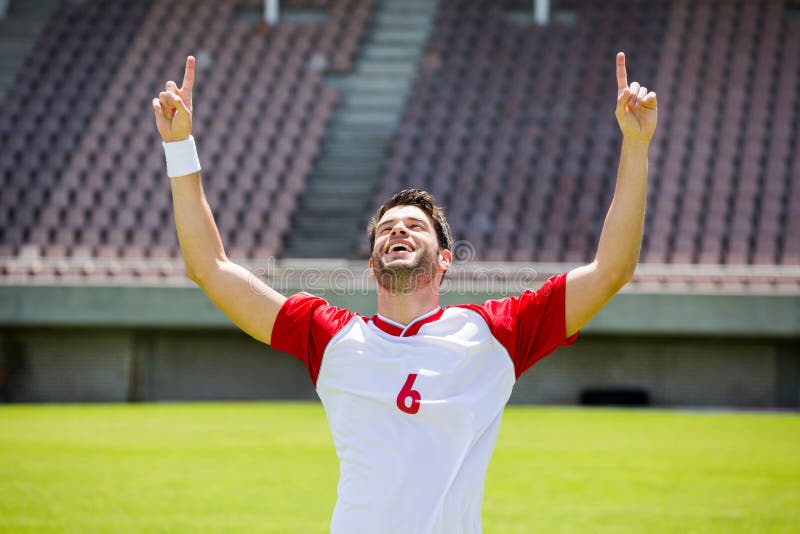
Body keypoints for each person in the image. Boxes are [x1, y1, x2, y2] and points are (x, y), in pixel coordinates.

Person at [152, 52, 657, 534]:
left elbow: (612, 270)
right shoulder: (329, 336)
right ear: (373, 265)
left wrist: (635, 146)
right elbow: (210, 269)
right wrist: (179, 148)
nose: (399, 231)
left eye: (415, 226)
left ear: (444, 259)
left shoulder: (497, 333)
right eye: (387, 228)